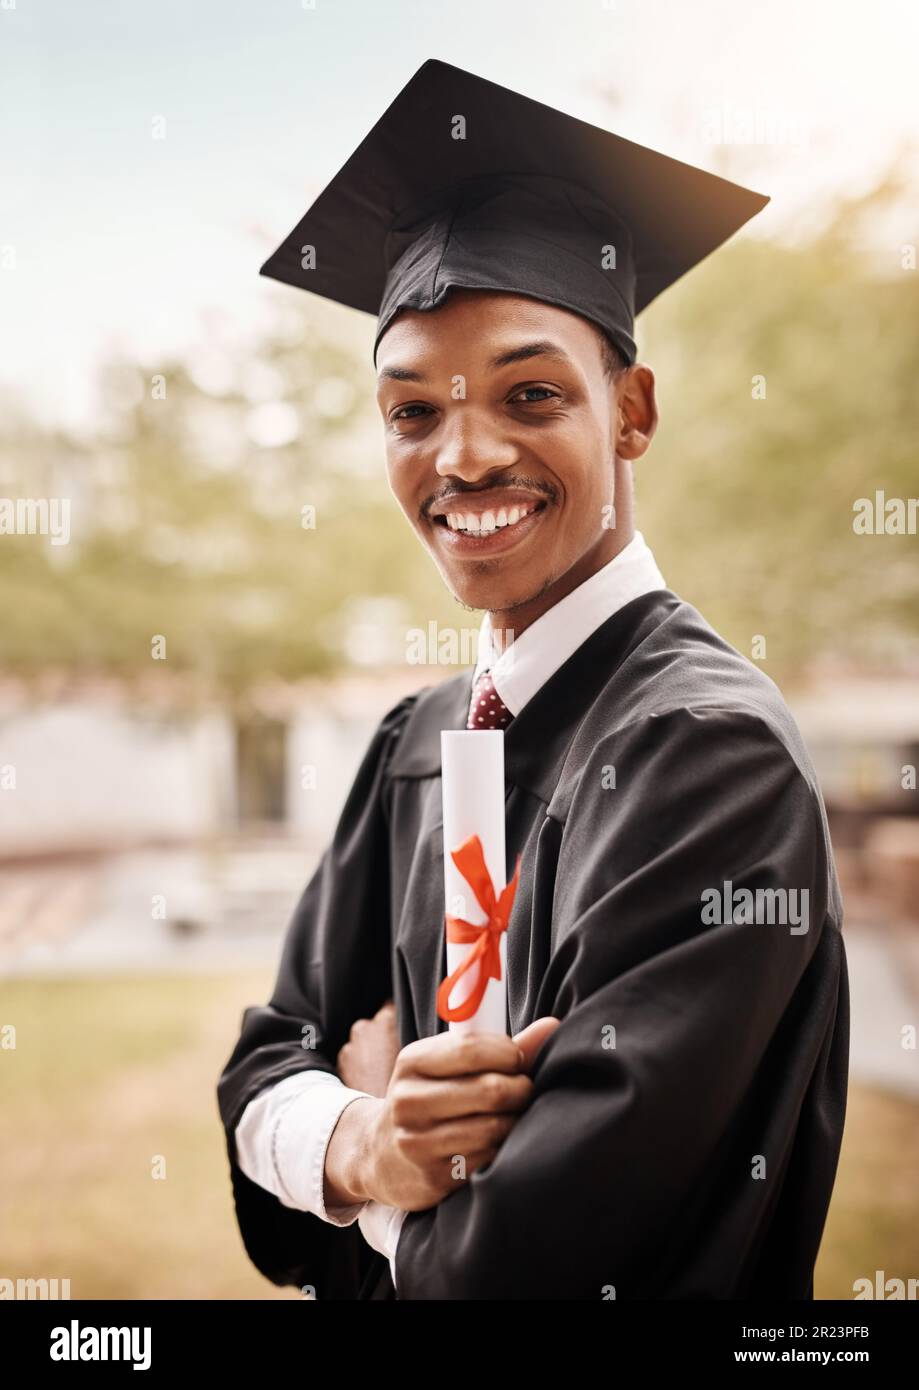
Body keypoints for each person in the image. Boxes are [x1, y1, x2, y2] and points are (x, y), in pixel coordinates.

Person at [216, 59, 849, 1300]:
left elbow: (520, 1276)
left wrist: (382, 1184)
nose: (464, 454)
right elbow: (260, 1071)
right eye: (410, 413)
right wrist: (360, 1139)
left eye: (530, 393)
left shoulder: (706, 756)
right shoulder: (422, 735)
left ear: (632, 411)